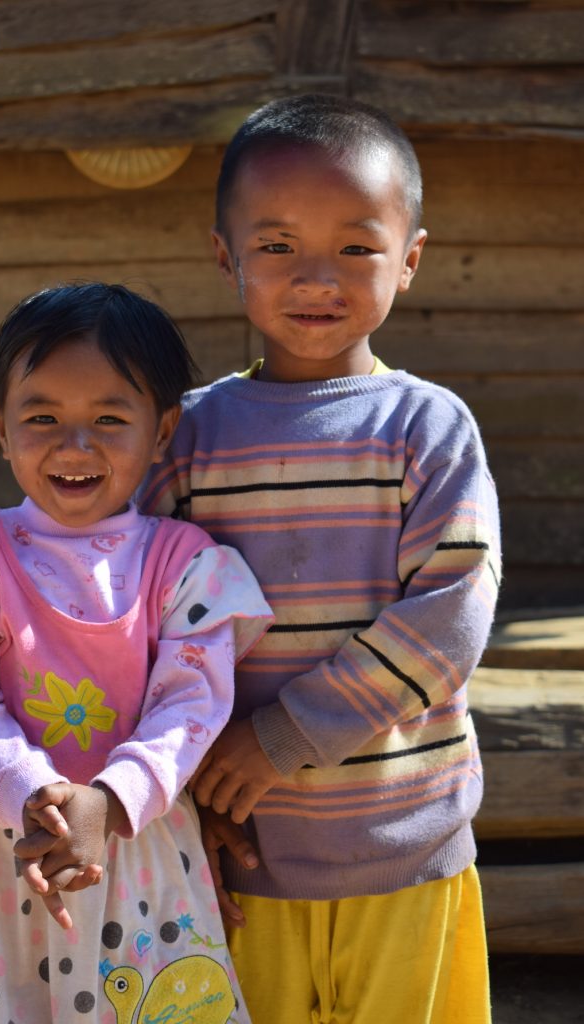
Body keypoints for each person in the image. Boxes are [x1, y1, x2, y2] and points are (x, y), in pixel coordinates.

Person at [139, 94, 501, 1024]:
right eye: (275, 247)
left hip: (401, 844)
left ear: (409, 259)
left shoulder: (425, 427)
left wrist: (281, 736)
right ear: (224, 258)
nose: (315, 277)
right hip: (242, 851)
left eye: (355, 246)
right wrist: (189, 795)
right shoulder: (189, 435)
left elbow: (449, 613)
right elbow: (153, 622)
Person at [0, 282, 273, 1024]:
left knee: (157, 1004)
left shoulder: (184, 565)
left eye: (110, 418)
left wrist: (105, 804)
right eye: (41, 417)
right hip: (16, 841)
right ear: (1, 429)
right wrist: (37, 797)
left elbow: (190, 702)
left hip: (140, 834)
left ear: (163, 429)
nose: (74, 446)